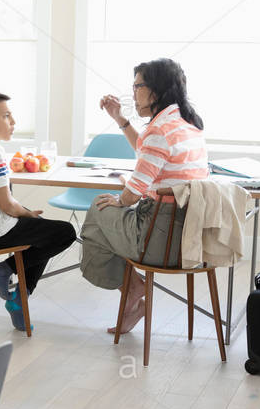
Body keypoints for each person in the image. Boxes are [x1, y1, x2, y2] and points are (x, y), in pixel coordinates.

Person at [81, 58, 209, 335]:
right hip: (190, 239)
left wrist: (121, 199)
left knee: (97, 211)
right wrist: (120, 120)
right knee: (106, 220)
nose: (133, 92)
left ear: (156, 91)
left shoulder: (159, 130)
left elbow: (134, 190)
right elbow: (147, 152)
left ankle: (132, 289)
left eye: (138, 86)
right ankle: (132, 295)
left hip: (160, 240)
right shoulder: (186, 124)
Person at [0, 92, 76, 330]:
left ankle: (18, 301)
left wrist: (28, 215)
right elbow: (7, 205)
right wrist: (27, 214)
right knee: (64, 232)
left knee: (39, 230)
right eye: (7, 116)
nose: (13, 123)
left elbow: (2, 202)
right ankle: (7, 273)